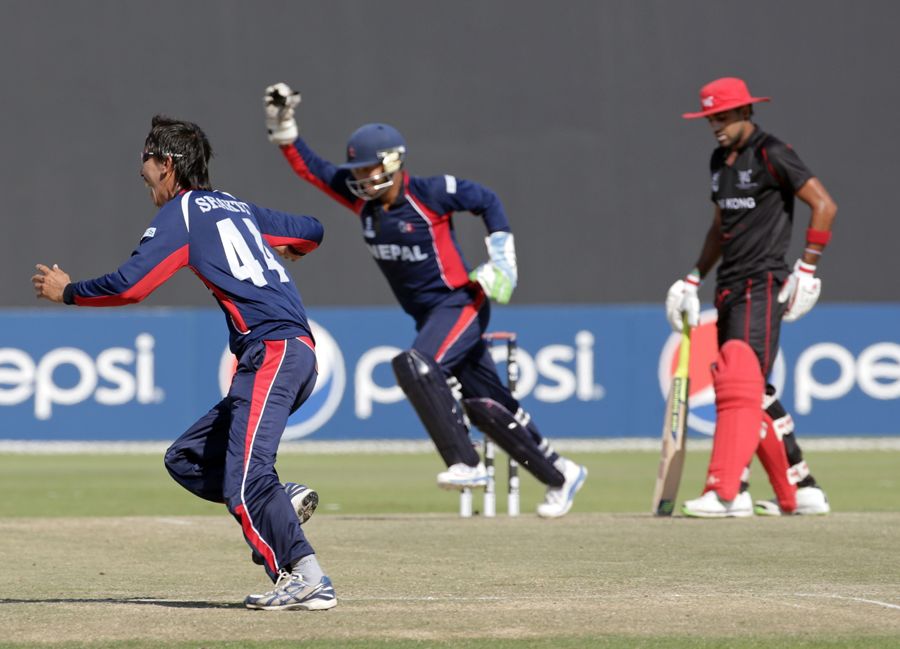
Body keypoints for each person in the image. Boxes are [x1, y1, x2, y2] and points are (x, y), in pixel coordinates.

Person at [32, 115, 337, 610]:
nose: (143, 172)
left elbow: (131, 286)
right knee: (186, 458)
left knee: (246, 478)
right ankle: (278, 505)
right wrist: (292, 247)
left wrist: (68, 292)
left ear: (167, 165)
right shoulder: (236, 207)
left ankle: (306, 577)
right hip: (286, 355)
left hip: (275, 352)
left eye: (146, 162)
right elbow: (312, 229)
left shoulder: (185, 213)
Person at [262, 83, 587, 518]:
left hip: (461, 303)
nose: (362, 178)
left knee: (415, 364)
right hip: (430, 317)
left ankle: (466, 462)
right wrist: (283, 123)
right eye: (357, 170)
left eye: (369, 168)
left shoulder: (429, 194)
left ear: (393, 162)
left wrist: (502, 258)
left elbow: (486, 200)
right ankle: (562, 474)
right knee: (486, 406)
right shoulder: (364, 203)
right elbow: (312, 169)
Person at [666, 77, 837, 518]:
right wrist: (693, 278)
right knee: (752, 389)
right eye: (710, 119)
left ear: (745, 112)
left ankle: (728, 490)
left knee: (739, 382)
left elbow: (824, 205)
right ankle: (801, 489)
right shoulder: (719, 160)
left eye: (722, 117)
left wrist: (807, 269)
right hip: (728, 284)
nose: (715, 126)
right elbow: (719, 228)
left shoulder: (771, 152)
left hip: (761, 283)